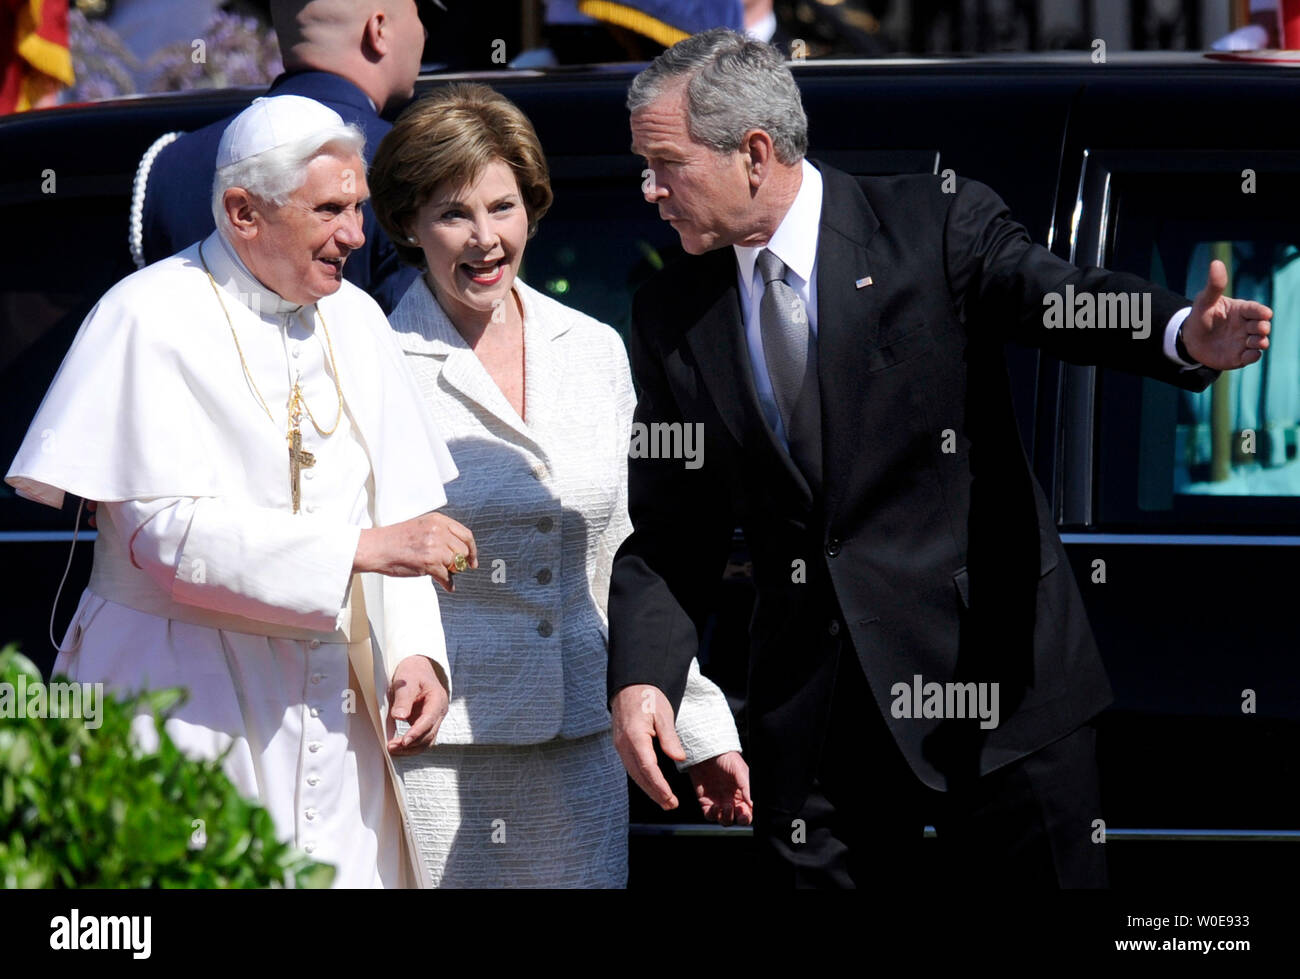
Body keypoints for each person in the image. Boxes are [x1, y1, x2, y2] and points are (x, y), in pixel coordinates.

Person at [607, 29, 1273, 888]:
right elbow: (673, 529)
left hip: (1000, 702)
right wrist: (644, 678)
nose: (648, 189)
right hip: (817, 737)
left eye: (665, 163)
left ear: (755, 153)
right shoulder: (671, 309)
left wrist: (1180, 332)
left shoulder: (933, 225)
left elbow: (1056, 297)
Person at [6, 94, 475, 888]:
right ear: (242, 211)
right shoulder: (147, 315)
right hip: (179, 689)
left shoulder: (355, 320)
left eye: (358, 207)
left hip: (334, 702)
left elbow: (394, 509)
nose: (357, 235)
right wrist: (360, 552)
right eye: (330, 209)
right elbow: (165, 538)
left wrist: (416, 652)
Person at [368, 82, 750, 887]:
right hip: (436, 750)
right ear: (406, 223)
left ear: (533, 207)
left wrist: (703, 724)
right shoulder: (373, 357)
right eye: (453, 214)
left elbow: (626, 555)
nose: (484, 239)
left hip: (581, 747)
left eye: (503, 208)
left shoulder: (593, 348)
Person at [133, 0, 431, 313]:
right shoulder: (410, 158)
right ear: (378, 30)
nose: (424, 32)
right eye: (420, 17)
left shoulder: (171, 161)